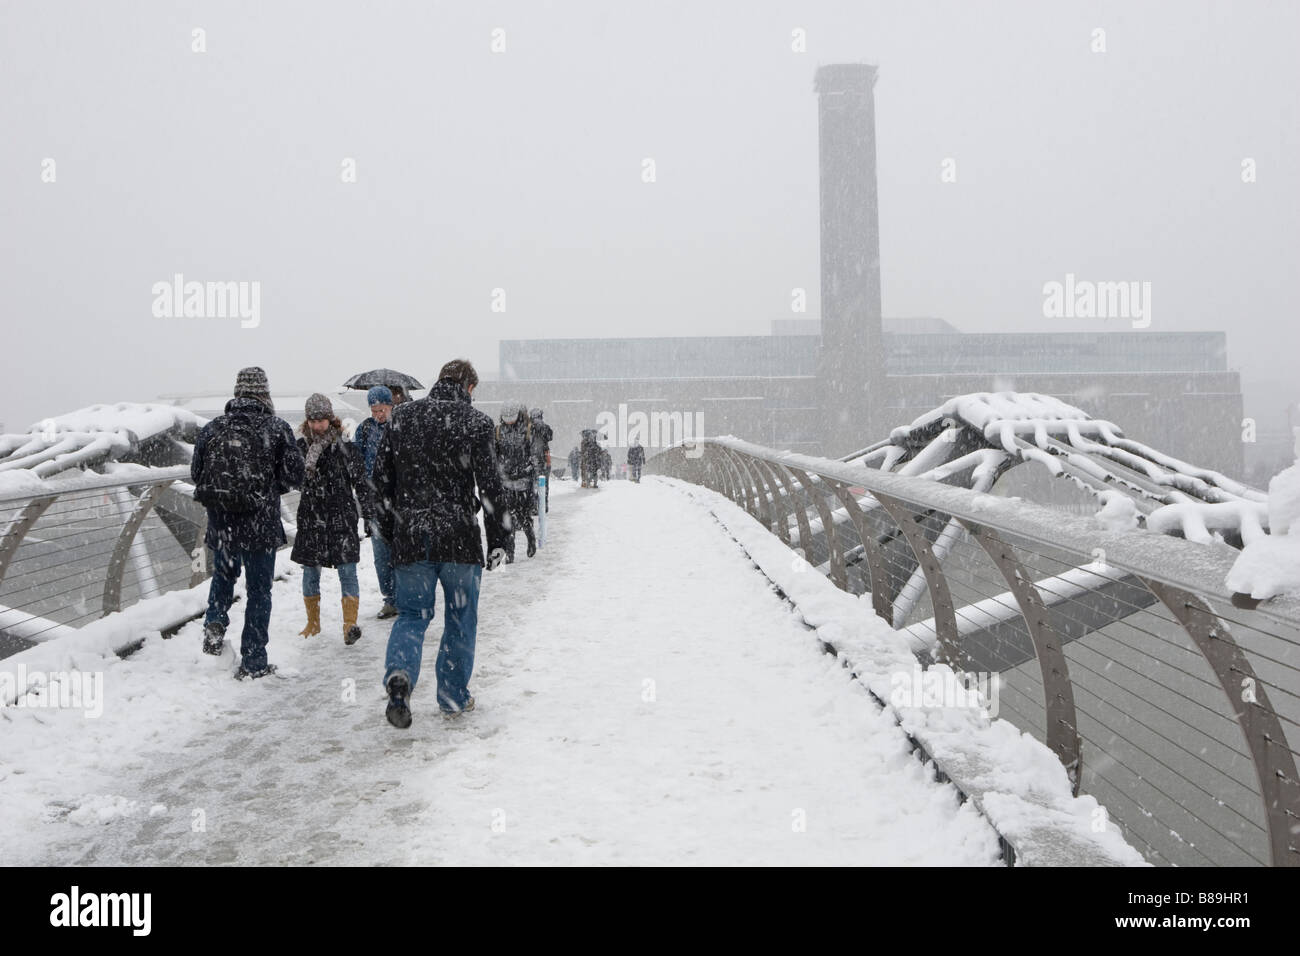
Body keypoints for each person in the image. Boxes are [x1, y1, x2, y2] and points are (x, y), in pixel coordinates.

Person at [373, 359, 510, 728]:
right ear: (469, 388)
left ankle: (400, 674)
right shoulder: (476, 423)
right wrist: (499, 539)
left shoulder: (401, 418)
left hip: (412, 538)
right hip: (459, 539)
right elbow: (491, 487)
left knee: (411, 616)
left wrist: (391, 531)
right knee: (460, 618)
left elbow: (380, 483)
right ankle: (452, 696)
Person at [191, 366, 304, 679]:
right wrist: (270, 486)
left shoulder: (213, 427)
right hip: (260, 522)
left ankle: (215, 620)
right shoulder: (277, 428)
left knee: (223, 576)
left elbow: (197, 473)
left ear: (237, 392)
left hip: (222, 521)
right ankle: (253, 661)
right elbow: (295, 475)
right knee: (258, 592)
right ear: (264, 393)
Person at [292, 394, 365, 645]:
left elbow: (360, 480)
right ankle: (312, 622)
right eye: (312, 421)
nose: (317, 425)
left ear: (330, 419)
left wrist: (369, 511)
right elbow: (294, 480)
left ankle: (350, 624)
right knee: (310, 572)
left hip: (341, 517)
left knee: (348, 570)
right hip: (312, 518)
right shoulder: (300, 447)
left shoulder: (345, 446)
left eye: (321, 420)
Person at [354, 386, 396, 618]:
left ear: (391, 406)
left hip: (398, 500)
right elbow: (356, 463)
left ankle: (406, 595)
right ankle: (390, 598)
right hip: (374, 501)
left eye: (382, 410)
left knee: (401, 551)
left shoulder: (400, 426)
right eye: (374, 410)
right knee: (381, 555)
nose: (379, 414)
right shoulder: (364, 430)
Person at [496, 402, 537, 561]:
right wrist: (500, 471)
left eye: (512, 418)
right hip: (506, 481)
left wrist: (525, 470)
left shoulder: (528, 430)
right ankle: (509, 552)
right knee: (508, 518)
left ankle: (530, 538)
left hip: (523, 482)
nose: (509, 421)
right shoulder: (498, 431)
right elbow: (495, 454)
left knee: (523, 515)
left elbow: (534, 456)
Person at [528, 407, 553, 513]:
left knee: (532, 484)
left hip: (531, 459)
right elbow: (550, 437)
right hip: (544, 459)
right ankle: (543, 504)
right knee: (544, 484)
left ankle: (534, 506)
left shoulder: (528, 428)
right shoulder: (545, 427)